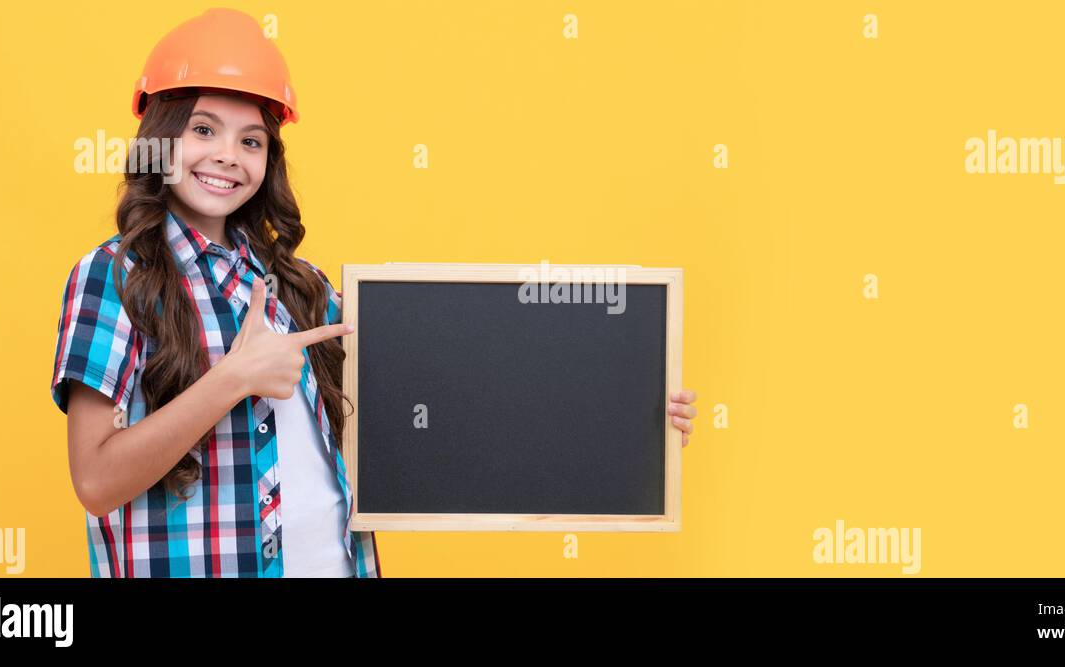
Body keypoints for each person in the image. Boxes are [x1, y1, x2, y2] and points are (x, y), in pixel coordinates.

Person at [50, 8, 699, 578]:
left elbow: (447, 395)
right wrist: (234, 378)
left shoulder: (296, 289)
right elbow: (96, 479)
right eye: (203, 130)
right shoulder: (118, 277)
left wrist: (624, 417)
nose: (228, 155)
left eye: (251, 141)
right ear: (159, 138)